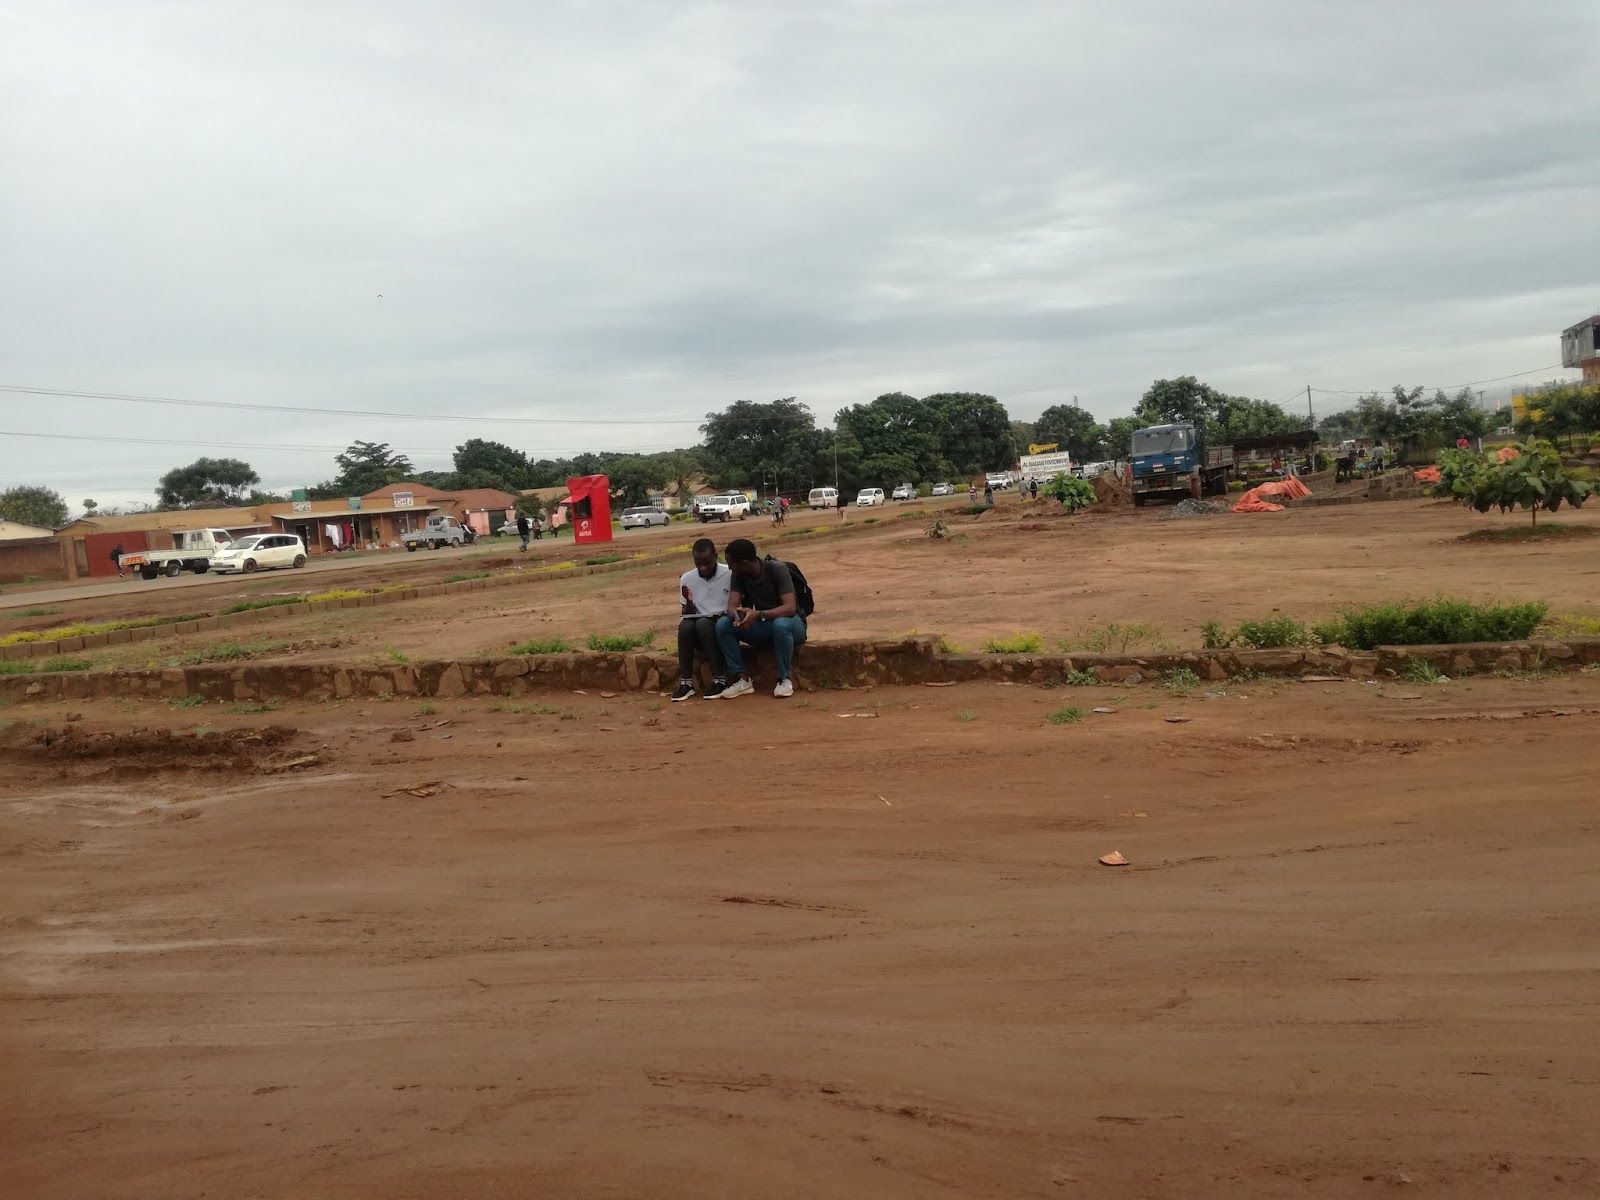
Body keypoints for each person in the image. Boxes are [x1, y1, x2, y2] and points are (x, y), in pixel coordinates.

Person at [715, 538, 806, 699]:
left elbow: (790, 608)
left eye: (731, 564)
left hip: (792, 626)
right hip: (765, 626)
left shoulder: (777, 569)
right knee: (723, 624)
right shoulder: (738, 575)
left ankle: (784, 679)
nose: (729, 568)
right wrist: (741, 616)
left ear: (744, 563)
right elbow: (731, 607)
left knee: (781, 624)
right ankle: (742, 679)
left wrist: (758, 614)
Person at [674, 539, 731, 701]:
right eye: (698, 563)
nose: (703, 567)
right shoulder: (687, 578)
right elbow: (686, 613)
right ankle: (686, 682)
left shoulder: (729, 574)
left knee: (704, 624)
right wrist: (689, 602)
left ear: (716, 556)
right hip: (698, 626)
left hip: (721, 624)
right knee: (685, 626)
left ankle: (719, 679)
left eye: (707, 563)